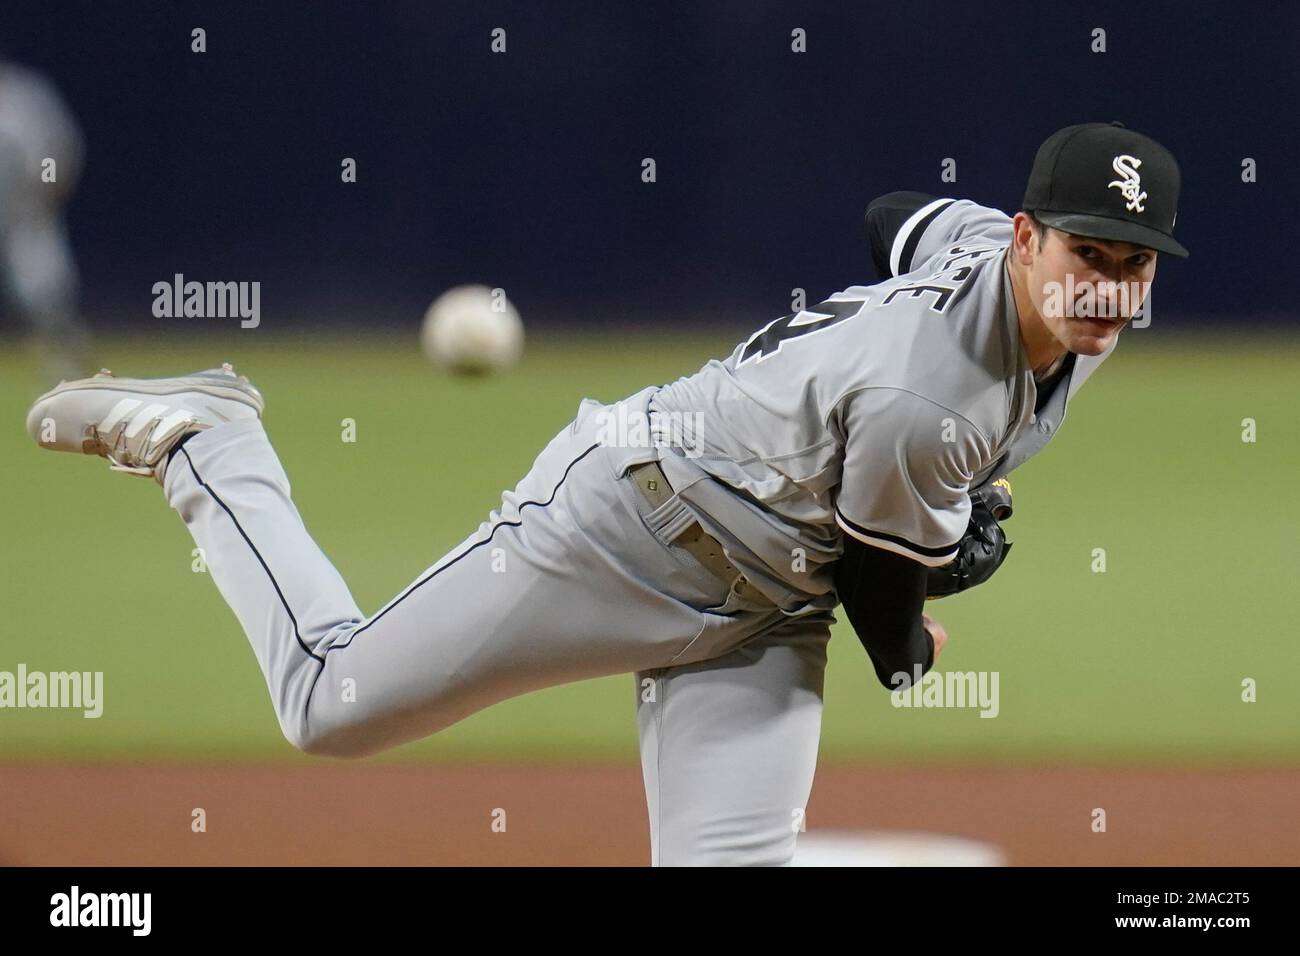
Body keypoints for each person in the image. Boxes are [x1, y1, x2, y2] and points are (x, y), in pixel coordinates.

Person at [25, 122, 1186, 866]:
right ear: (1027, 238)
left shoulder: (993, 260)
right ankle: (212, 443)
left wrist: (844, 414)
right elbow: (885, 609)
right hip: (625, 524)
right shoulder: (929, 402)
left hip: (765, 607)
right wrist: (919, 638)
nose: (1105, 288)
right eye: (1085, 255)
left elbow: (898, 217)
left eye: (1130, 264)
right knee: (331, 702)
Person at [0, 59, 90, 383]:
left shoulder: (24, 97)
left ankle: (67, 367)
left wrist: (48, 190)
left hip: (25, 212)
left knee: (45, 292)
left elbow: (57, 147)